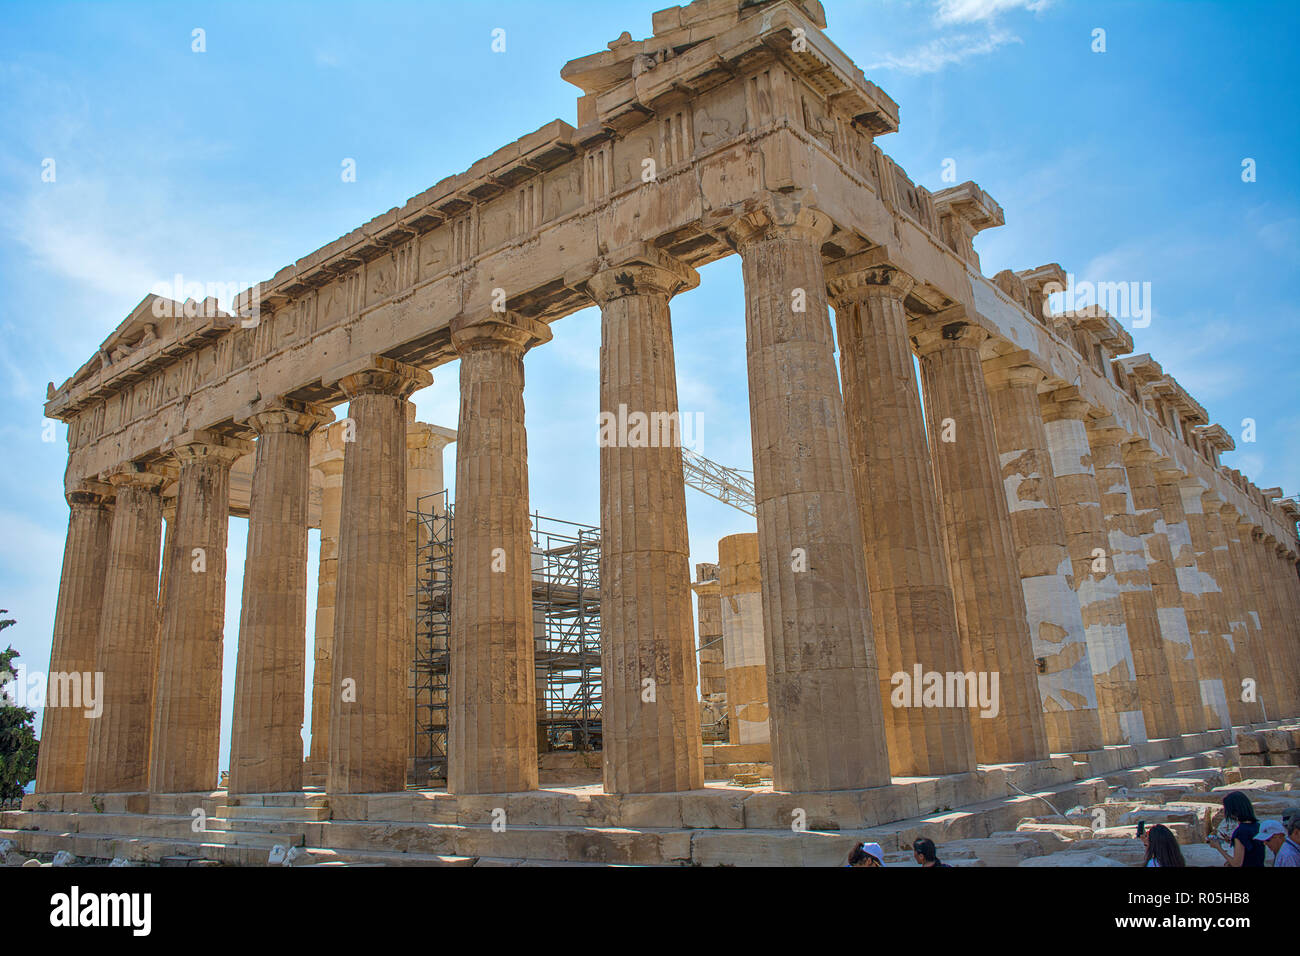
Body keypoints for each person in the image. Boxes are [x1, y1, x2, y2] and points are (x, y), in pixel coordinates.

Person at [1209, 790, 1266, 867]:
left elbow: (1237, 863)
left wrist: (1218, 847)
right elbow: (1251, 849)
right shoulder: (1257, 826)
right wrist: (1232, 841)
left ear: (1232, 812)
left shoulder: (1240, 832)